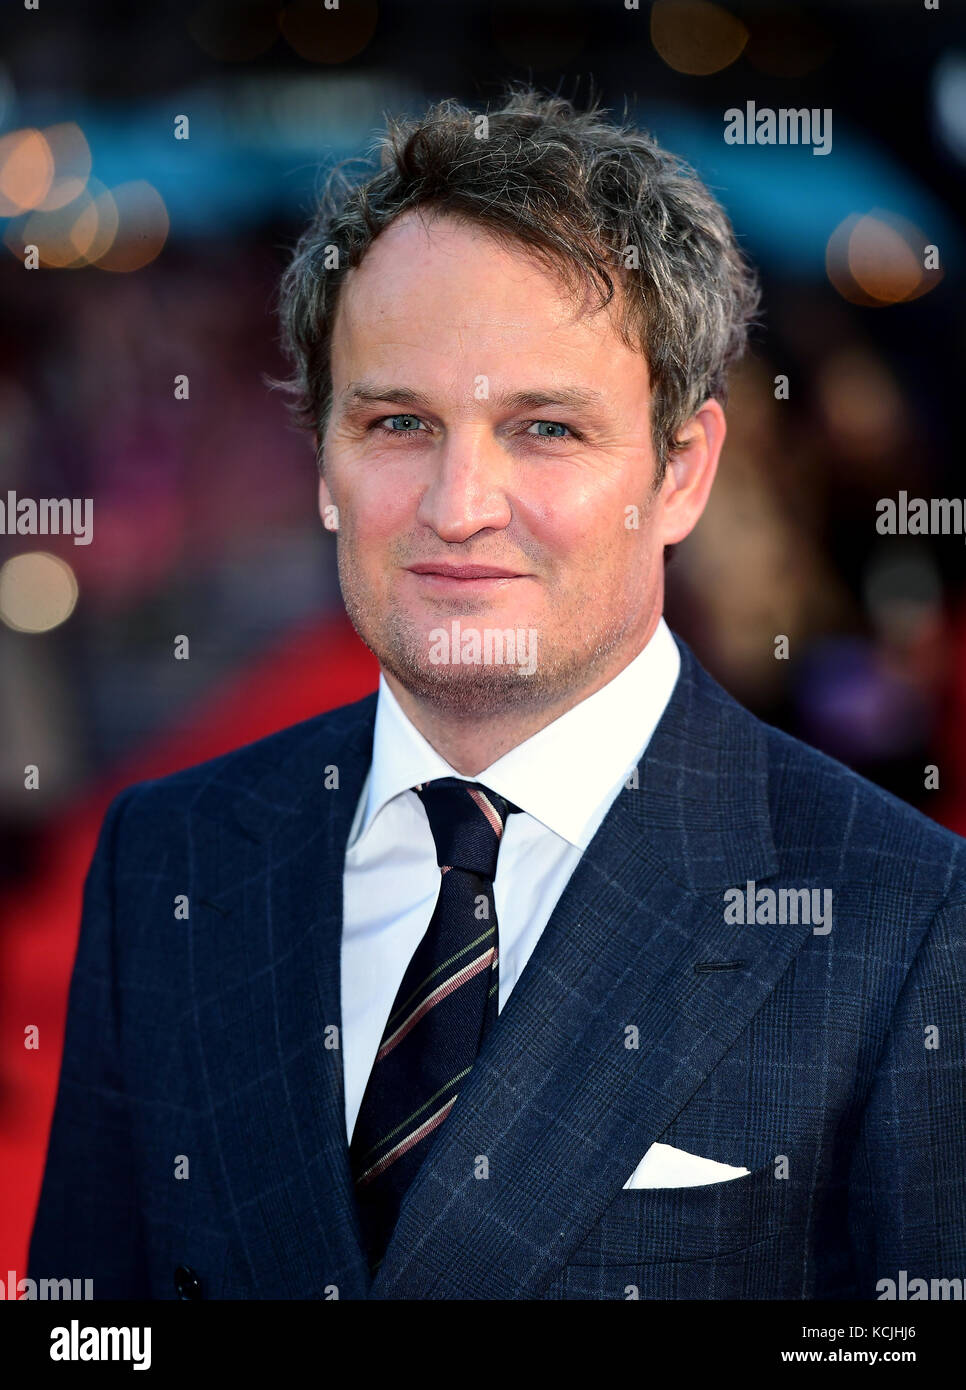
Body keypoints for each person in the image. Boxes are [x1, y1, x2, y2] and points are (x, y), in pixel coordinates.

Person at [29, 85, 966, 1300]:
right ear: (324, 459)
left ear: (681, 472)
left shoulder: (903, 918)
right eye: (400, 421)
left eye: (546, 430)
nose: (459, 505)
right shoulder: (168, 859)